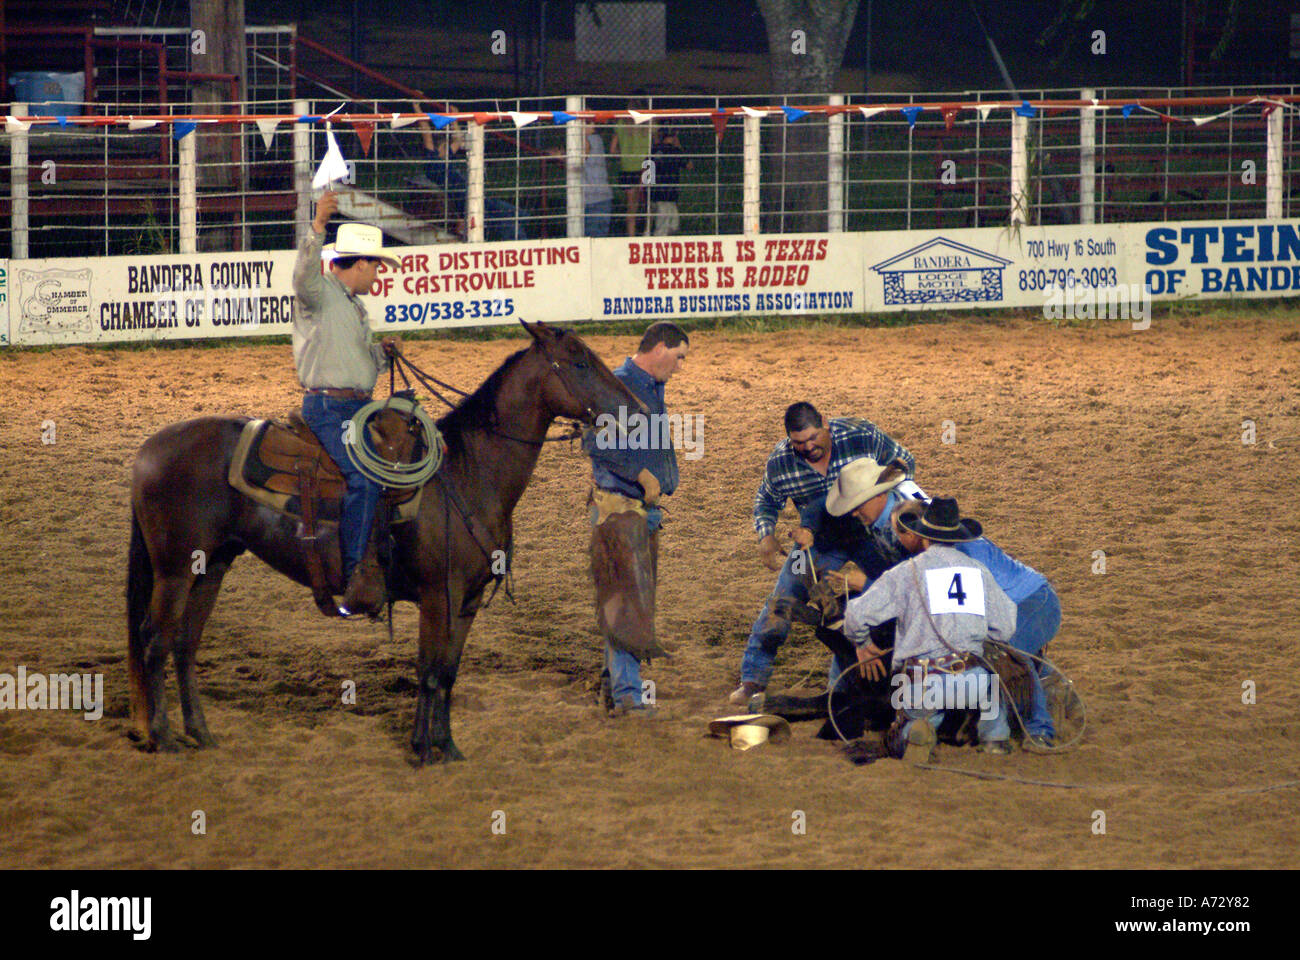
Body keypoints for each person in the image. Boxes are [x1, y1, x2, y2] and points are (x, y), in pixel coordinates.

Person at [730, 402, 915, 705]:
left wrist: (892, 505)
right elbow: (766, 499)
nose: (808, 447)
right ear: (789, 439)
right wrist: (766, 534)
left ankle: (844, 685)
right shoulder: (781, 462)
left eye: (813, 438)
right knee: (782, 601)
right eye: (798, 442)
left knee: (886, 593)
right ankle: (753, 678)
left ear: (826, 425)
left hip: (870, 534)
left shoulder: (861, 434)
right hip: (816, 541)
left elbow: (903, 462)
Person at [292, 190, 401, 618]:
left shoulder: (353, 307)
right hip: (329, 409)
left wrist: (380, 355)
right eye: (376, 265)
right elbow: (302, 273)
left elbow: (356, 364)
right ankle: (355, 572)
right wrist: (318, 225)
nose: (379, 274)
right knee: (363, 477)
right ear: (359, 264)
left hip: (353, 407)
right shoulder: (319, 292)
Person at [843, 497, 1016, 762]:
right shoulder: (978, 571)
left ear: (924, 537)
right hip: (975, 682)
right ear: (957, 537)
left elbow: (856, 615)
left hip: (922, 682)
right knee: (991, 679)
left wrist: (862, 642)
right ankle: (995, 739)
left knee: (905, 731)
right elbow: (1006, 626)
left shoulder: (906, 572)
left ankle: (915, 732)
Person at [889, 499, 1061, 747]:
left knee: (1006, 652)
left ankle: (1039, 730)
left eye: (900, 532)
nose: (898, 540)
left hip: (1033, 602)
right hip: (1031, 599)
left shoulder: (950, 557)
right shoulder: (954, 549)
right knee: (997, 650)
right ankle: (1047, 683)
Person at [583, 321, 690, 716]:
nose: (679, 366)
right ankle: (628, 694)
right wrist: (644, 476)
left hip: (635, 509)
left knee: (626, 596)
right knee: (628, 598)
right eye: (679, 357)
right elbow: (595, 443)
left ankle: (615, 687)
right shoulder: (622, 383)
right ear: (660, 348)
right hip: (621, 509)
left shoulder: (644, 385)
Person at [414, 106, 526, 241]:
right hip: (465, 199)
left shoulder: (445, 159)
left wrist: (454, 118)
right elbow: (426, 132)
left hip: (473, 195)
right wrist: (417, 107)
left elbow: (459, 140)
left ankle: (520, 237)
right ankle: (517, 242)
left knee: (518, 214)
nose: (450, 149)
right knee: (508, 217)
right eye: (446, 146)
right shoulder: (433, 162)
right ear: (438, 148)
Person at [610, 99, 651, 235]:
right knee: (648, 203)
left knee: (631, 207)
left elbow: (612, 150)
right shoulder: (649, 124)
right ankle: (648, 232)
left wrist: (624, 154)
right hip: (646, 167)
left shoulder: (621, 124)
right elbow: (654, 146)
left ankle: (631, 236)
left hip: (627, 168)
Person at [645, 129, 692, 236]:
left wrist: (647, 189)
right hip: (670, 194)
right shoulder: (676, 151)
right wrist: (679, 146)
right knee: (665, 225)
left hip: (657, 193)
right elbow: (689, 165)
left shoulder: (654, 149)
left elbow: (646, 169)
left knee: (669, 224)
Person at [581, 123, 614, 237]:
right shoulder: (593, 139)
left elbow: (584, 152)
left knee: (594, 240)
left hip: (596, 200)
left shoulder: (592, 139)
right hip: (593, 199)